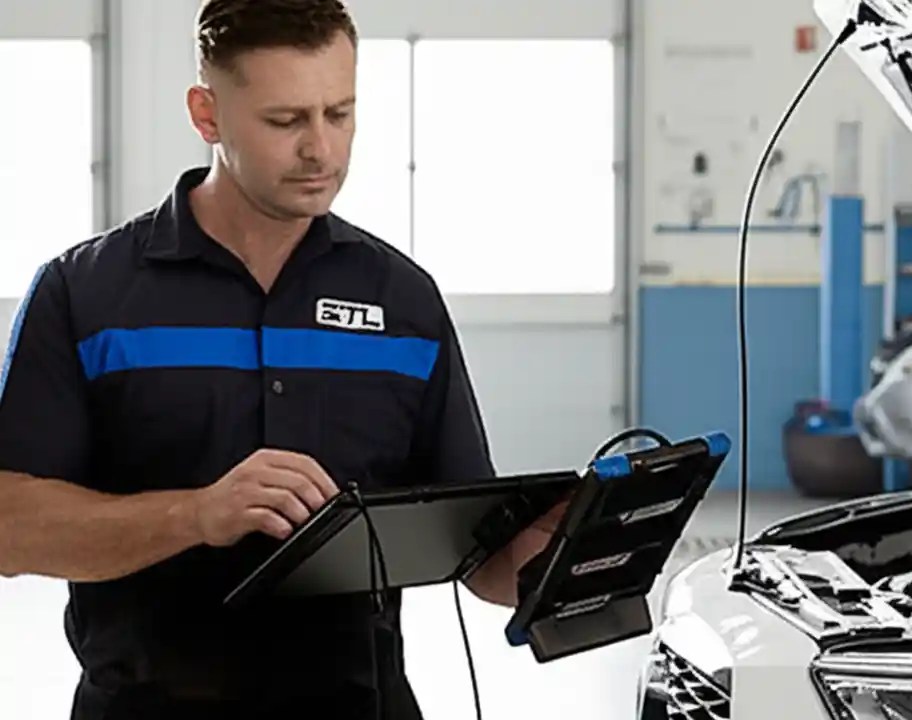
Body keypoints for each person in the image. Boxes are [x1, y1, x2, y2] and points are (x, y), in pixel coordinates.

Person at [0, 0, 565, 717]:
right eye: (285, 120)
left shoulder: (404, 301)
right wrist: (196, 515)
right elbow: (10, 528)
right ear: (207, 115)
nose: (321, 150)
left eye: (340, 114)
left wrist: (555, 551)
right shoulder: (85, 294)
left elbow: (478, 557)